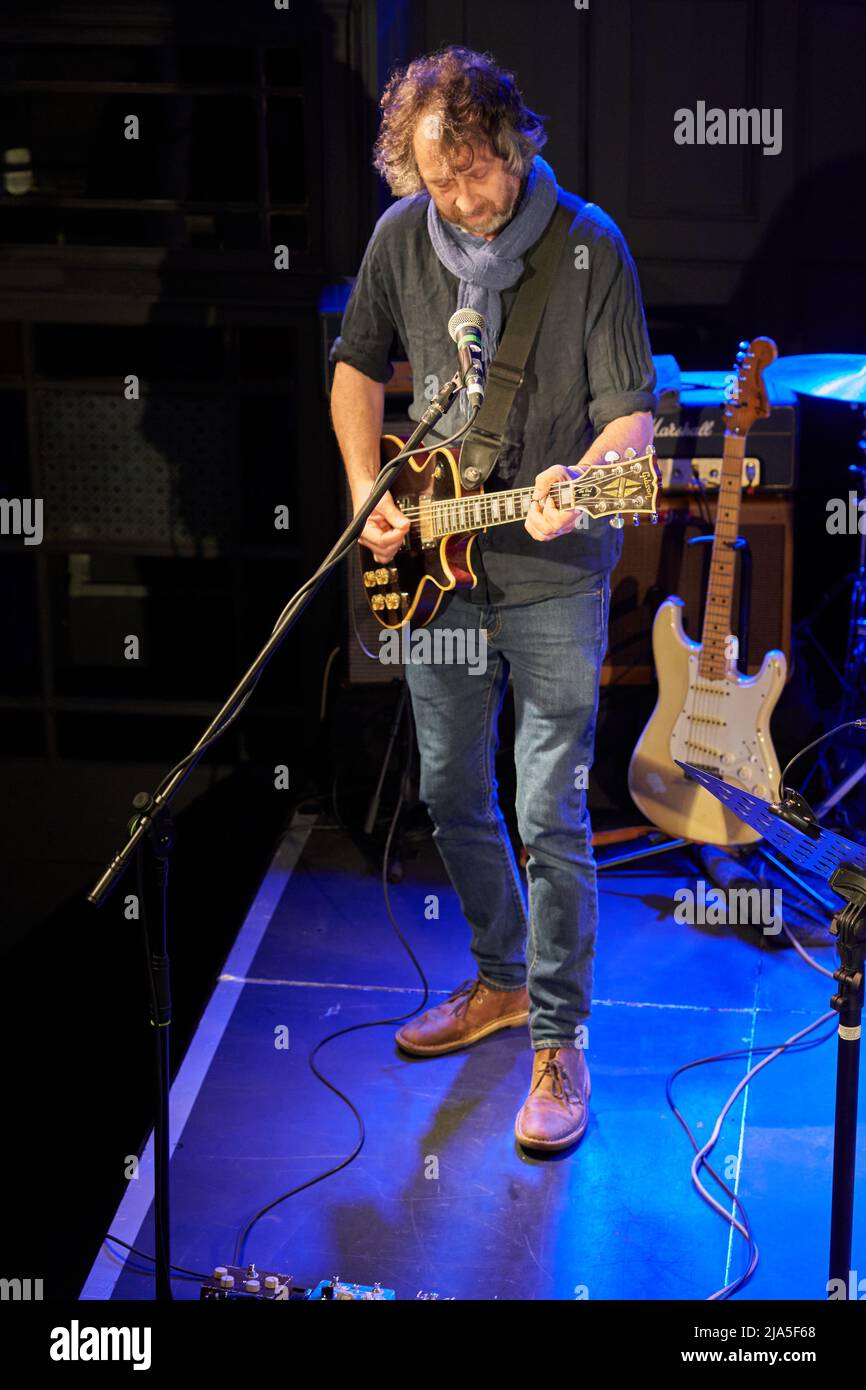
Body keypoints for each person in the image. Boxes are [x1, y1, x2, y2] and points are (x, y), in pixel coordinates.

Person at [329, 46, 656, 1151]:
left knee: (547, 803)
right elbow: (353, 365)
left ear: (513, 144)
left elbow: (630, 422)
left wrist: (581, 481)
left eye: (480, 170)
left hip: (552, 565)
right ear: (410, 172)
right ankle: (499, 978)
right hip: (433, 563)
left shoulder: (586, 246)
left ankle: (558, 1041)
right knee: (447, 788)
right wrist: (362, 483)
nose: (467, 199)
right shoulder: (395, 244)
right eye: (441, 180)